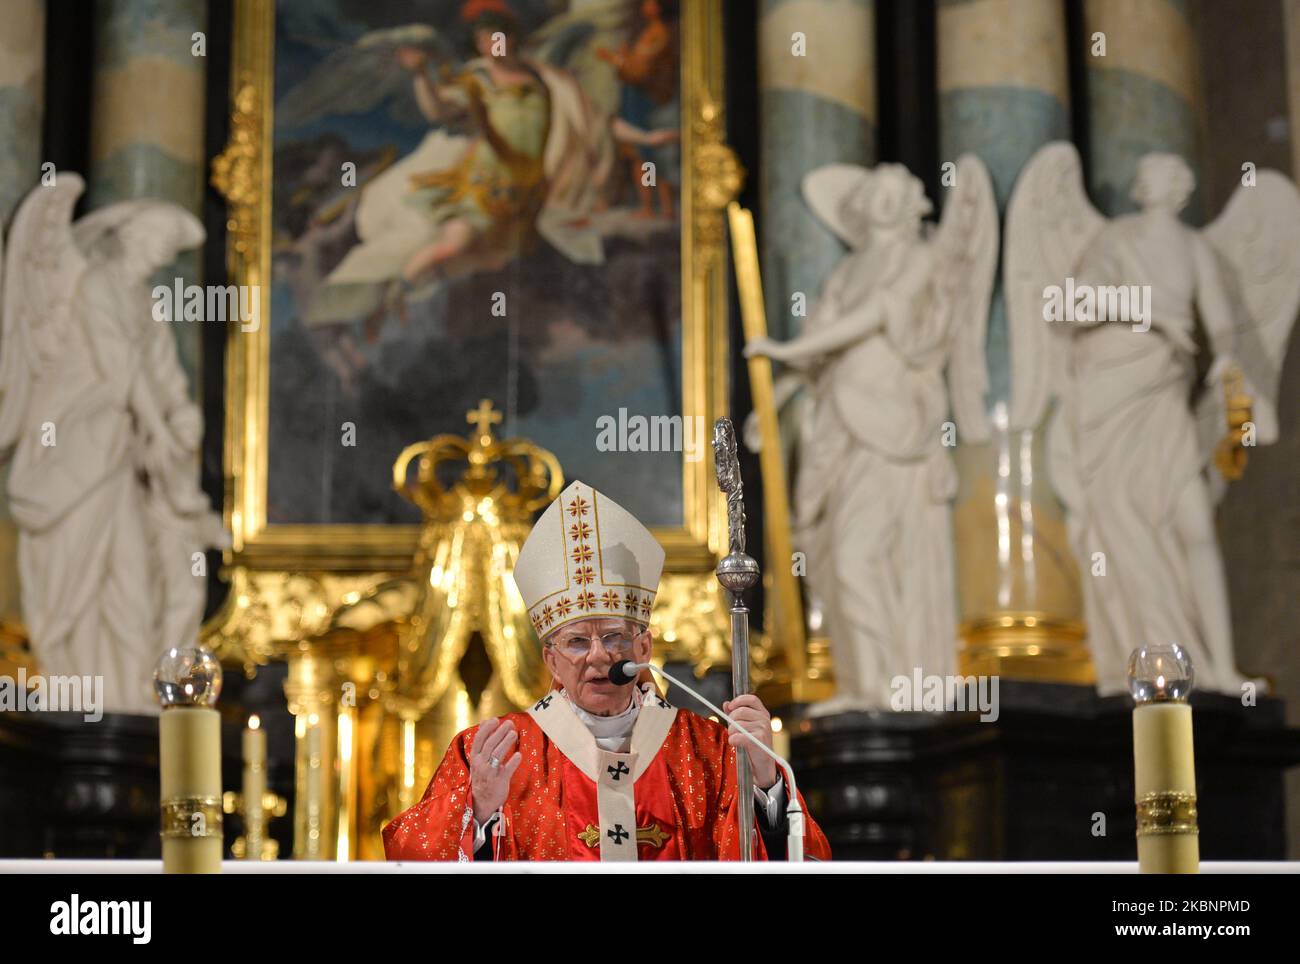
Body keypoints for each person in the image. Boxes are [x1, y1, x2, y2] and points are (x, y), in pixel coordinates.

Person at [382, 480, 831, 861]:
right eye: (577, 641)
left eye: (614, 637)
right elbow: (410, 854)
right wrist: (478, 808)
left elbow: (795, 862)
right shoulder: (496, 752)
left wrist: (766, 783)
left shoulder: (711, 750)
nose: (598, 656)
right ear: (551, 660)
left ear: (645, 645)